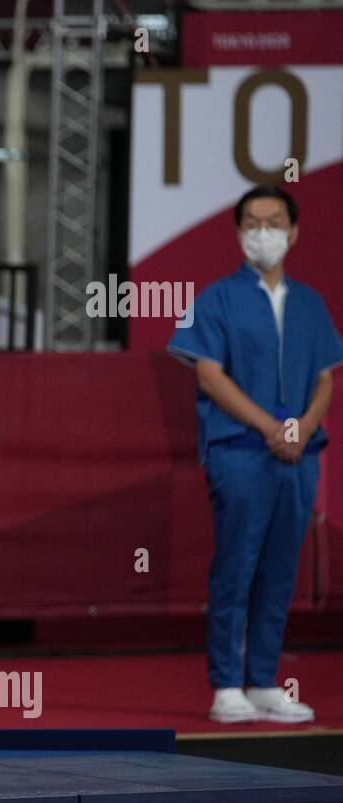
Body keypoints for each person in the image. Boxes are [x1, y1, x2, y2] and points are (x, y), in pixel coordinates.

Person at [167, 184, 340, 724]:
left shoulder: (311, 303)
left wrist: (302, 429)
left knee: (281, 569)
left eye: (272, 222)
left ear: (292, 232)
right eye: (251, 223)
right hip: (240, 452)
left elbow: (325, 378)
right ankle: (225, 686)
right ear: (240, 232)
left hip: (298, 456)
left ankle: (264, 680)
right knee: (236, 567)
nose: (262, 232)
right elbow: (210, 375)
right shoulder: (216, 298)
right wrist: (272, 428)